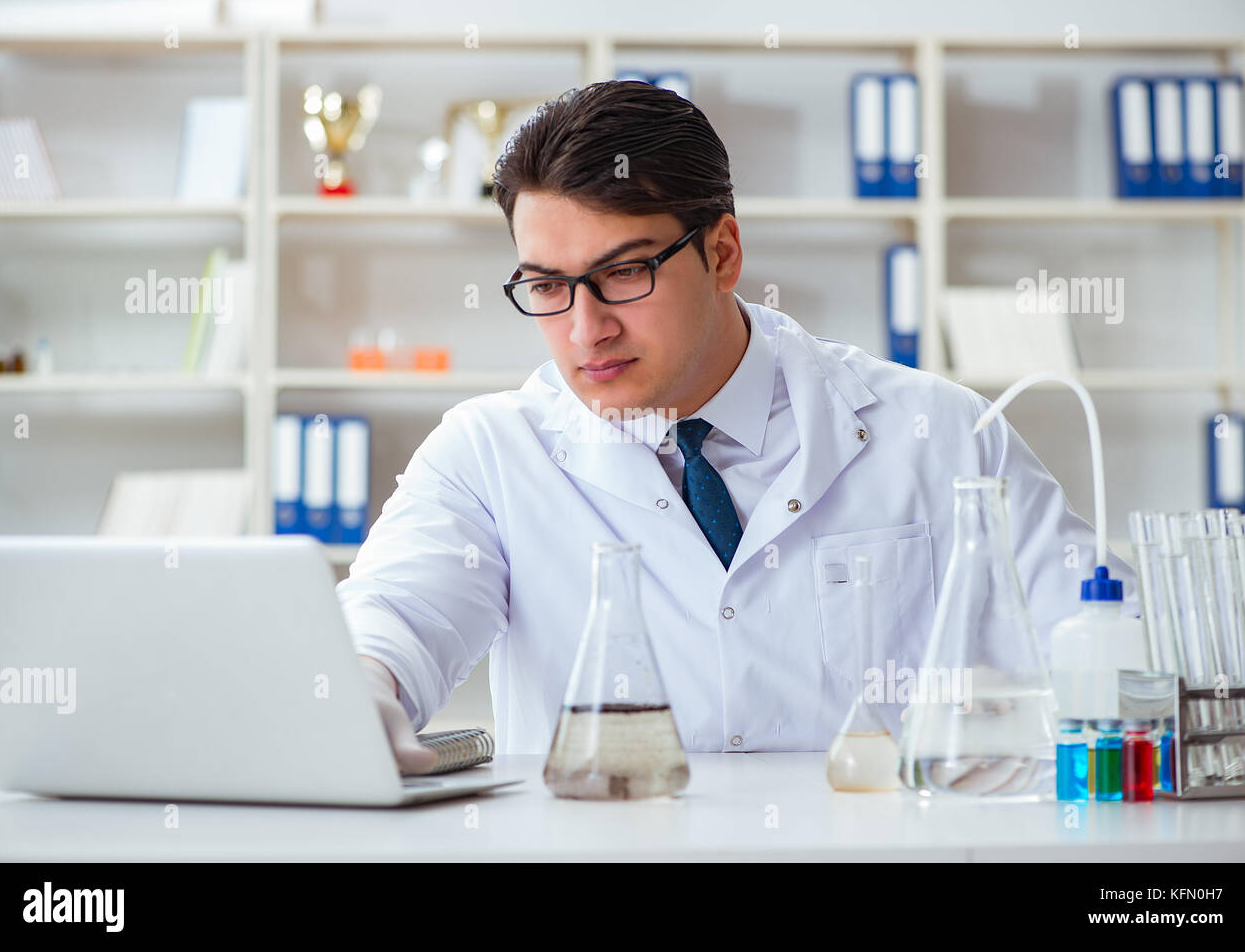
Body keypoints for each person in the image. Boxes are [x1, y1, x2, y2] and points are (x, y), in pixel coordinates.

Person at [337, 80, 1138, 772]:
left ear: (722, 252)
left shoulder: (940, 433)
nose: (585, 331)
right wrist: (363, 688)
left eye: (623, 272)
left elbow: (1110, 645)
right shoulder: (488, 455)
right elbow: (396, 614)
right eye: (548, 286)